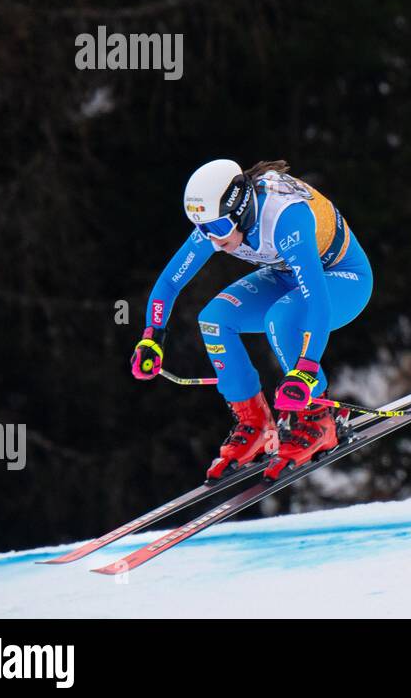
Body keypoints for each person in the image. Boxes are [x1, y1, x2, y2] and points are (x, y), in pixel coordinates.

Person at [130, 159, 373, 480]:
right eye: (203, 229)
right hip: (289, 275)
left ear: (241, 209)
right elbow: (170, 282)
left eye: (217, 228)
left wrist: (307, 371)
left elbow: (317, 301)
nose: (214, 240)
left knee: (281, 318)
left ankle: (318, 417)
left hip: (342, 280)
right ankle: (255, 423)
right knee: (215, 319)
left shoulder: (287, 217)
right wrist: (152, 336)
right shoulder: (218, 218)